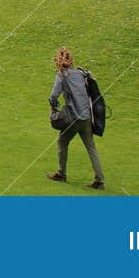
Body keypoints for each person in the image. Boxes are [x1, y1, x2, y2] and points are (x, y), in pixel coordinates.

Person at [46, 47, 104, 189]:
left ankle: (61, 173)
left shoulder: (61, 75)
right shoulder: (81, 73)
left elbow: (53, 96)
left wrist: (54, 107)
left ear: (58, 60)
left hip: (72, 119)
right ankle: (100, 180)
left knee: (62, 142)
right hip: (86, 118)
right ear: (71, 59)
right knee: (91, 148)